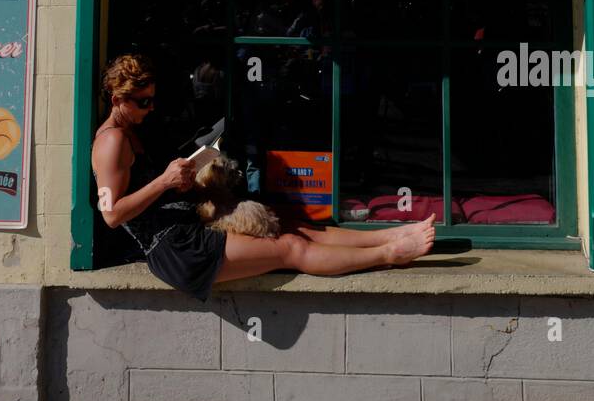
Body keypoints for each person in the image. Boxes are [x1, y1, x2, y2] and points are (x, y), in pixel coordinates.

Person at [92, 52, 437, 305]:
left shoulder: (130, 131)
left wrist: (182, 182)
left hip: (188, 227)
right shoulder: (111, 142)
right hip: (178, 250)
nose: (151, 108)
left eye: (152, 99)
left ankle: (387, 234)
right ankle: (389, 253)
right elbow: (112, 215)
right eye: (143, 102)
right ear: (118, 99)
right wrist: (164, 182)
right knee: (290, 247)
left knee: (290, 224)